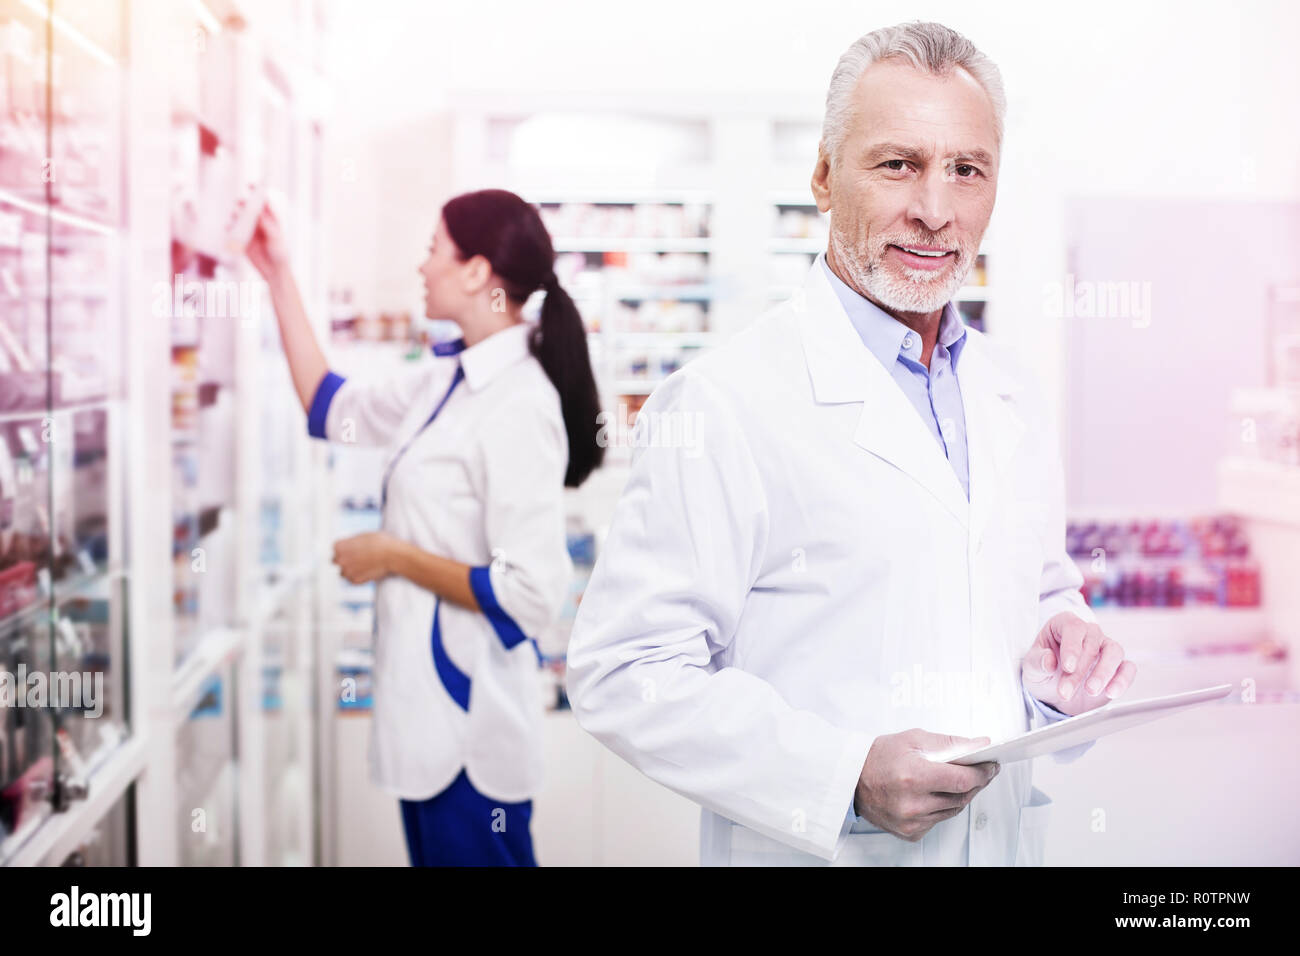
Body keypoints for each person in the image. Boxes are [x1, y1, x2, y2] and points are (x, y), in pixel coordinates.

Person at [564, 21, 1136, 866]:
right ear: (826, 176)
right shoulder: (727, 402)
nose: (935, 211)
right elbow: (625, 670)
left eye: (966, 170)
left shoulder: (1014, 393)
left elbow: (1037, 589)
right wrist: (845, 774)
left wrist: (1062, 656)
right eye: (898, 164)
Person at [244, 188, 603, 866]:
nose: (421, 266)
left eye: (433, 249)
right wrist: (277, 273)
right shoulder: (448, 381)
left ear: (475, 273)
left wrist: (393, 556)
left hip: (470, 743)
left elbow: (530, 591)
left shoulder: (519, 404)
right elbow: (329, 404)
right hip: (430, 726)